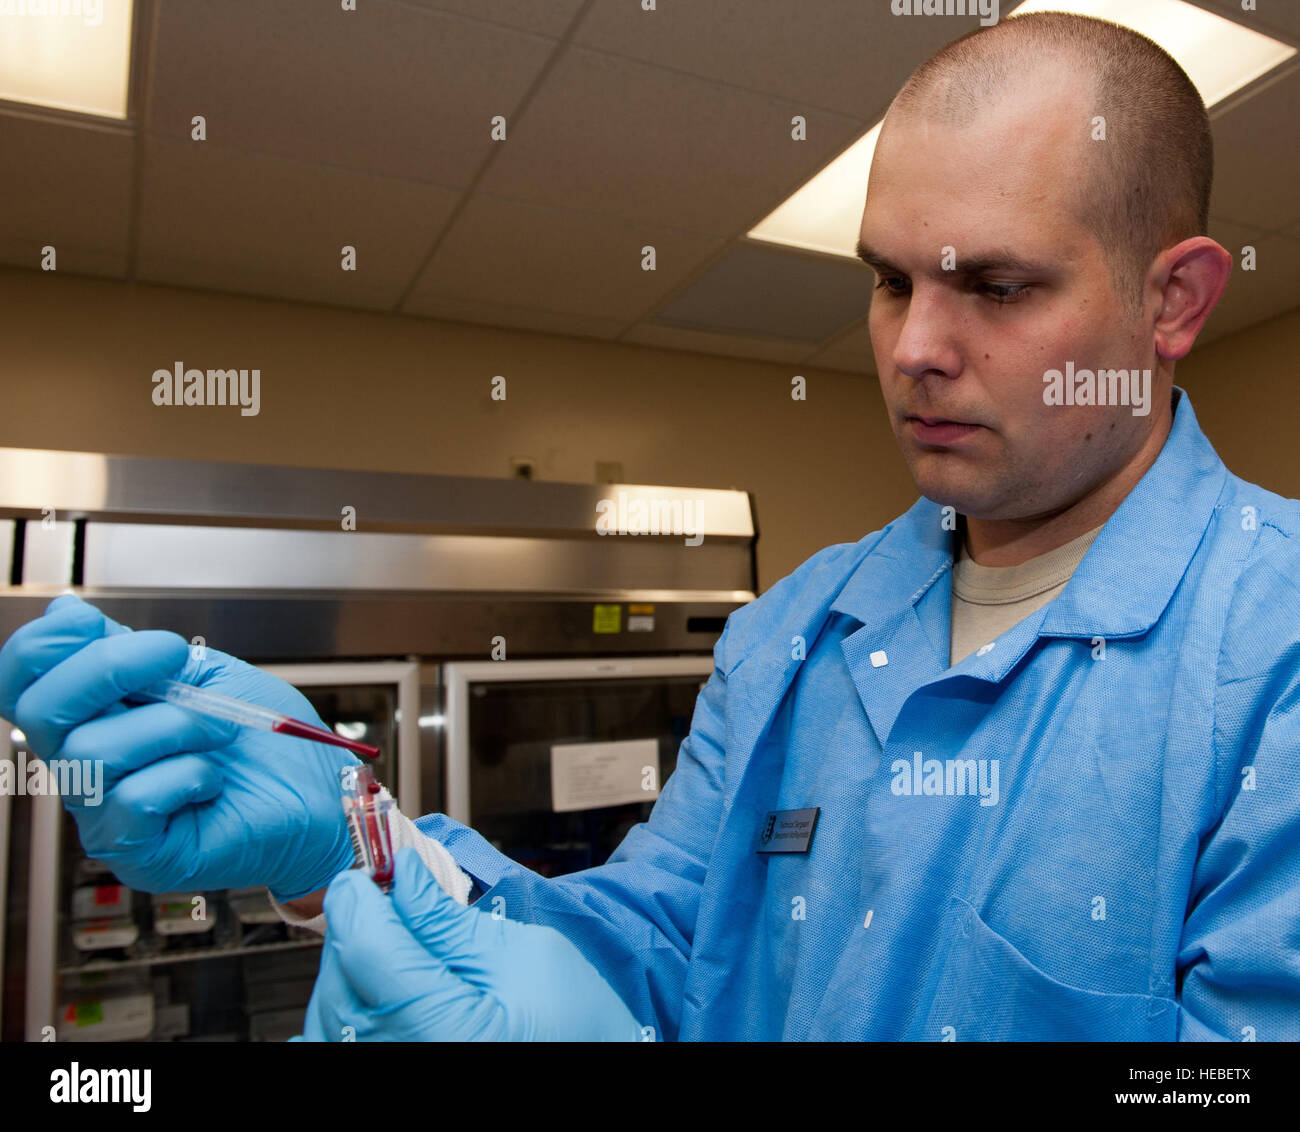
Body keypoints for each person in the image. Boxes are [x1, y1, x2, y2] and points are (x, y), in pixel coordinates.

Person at [3, 11, 1297, 1041]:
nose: (914, 350)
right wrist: (356, 834)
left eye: (997, 288)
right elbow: (660, 943)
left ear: (1172, 301)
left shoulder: (1273, 659)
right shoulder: (797, 629)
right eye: (889, 282)